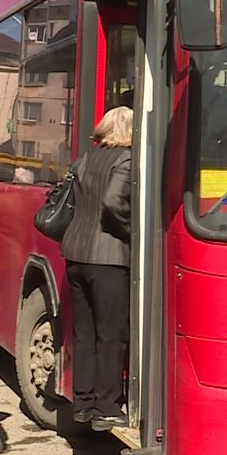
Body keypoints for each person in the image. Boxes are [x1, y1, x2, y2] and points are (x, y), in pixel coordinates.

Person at [60, 106, 133, 432]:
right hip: (108, 256)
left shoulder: (87, 157)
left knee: (84, 333)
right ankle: (107, 407)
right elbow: (112, 202)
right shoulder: (126, 159)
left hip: (75, 253)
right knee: (110, 335)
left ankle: (83, 403)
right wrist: (131, 232)